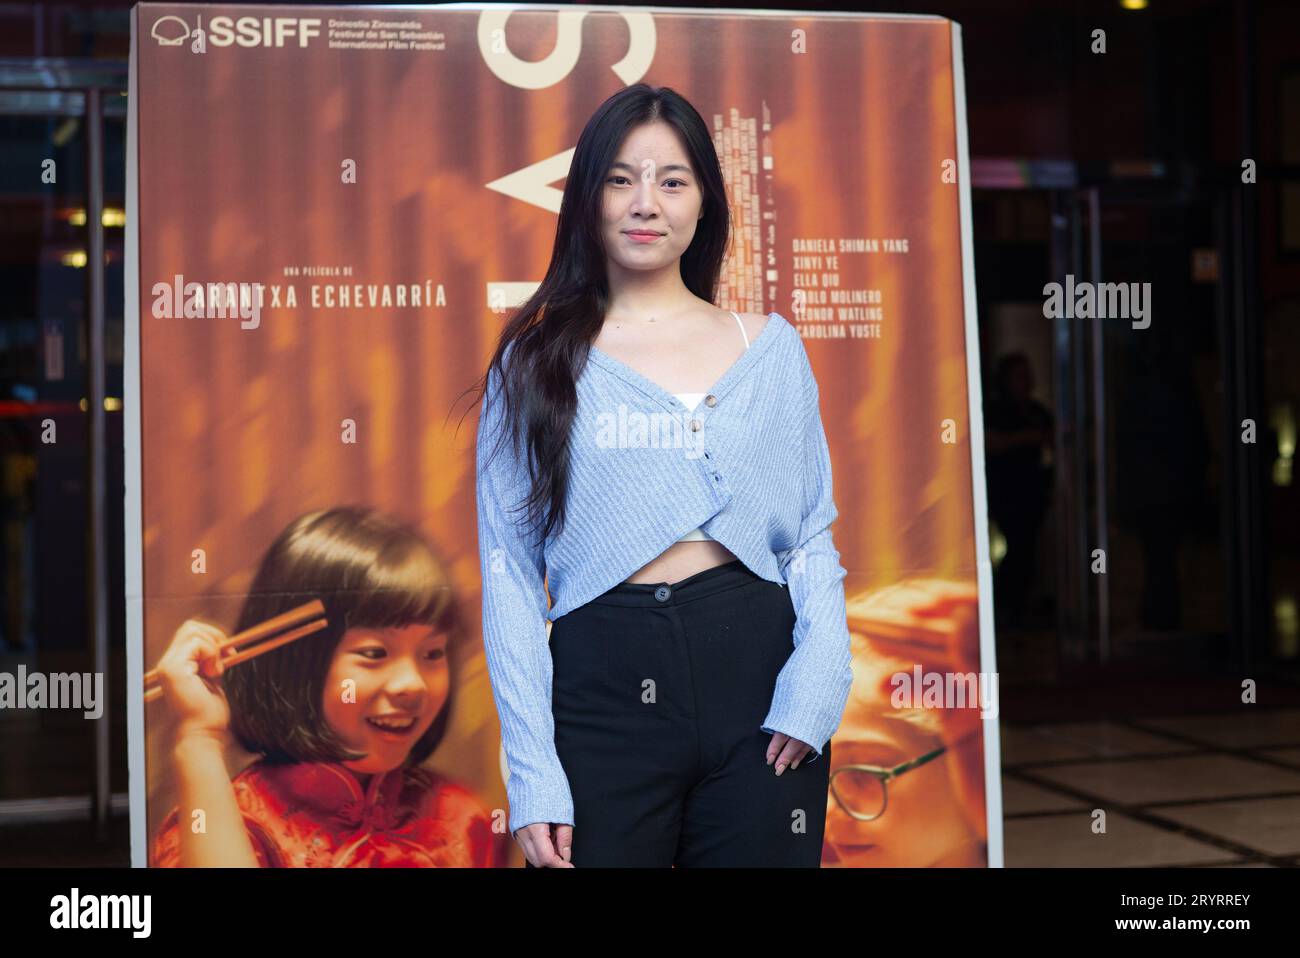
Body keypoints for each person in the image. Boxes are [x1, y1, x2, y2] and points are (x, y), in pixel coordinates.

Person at [469, 84, 853, 867]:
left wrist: (819, 676)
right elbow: (509, 568)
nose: (646, 203)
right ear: (585, 199)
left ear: (705, 200)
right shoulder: (536, 361)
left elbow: (810, 533)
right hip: (602, 686)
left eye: (672, 180)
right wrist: (533, 770)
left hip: (759, 679)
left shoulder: (770, 350)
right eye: (620, 178)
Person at [150, 506, 503, 867]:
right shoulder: (228, 823)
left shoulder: (464, 819)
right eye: (374, 653)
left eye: (432, 653)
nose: (412, 684)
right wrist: (199, 737)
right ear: (299, 663)